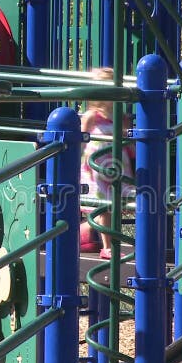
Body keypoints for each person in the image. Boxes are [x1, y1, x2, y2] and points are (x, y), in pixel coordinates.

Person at [80, 67, 135, 260]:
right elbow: (81, 141)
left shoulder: (121, 118)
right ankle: (107, 246)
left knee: (116, 206)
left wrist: (127, 133)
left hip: (118, 166)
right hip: (97, 169)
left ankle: (89, 232)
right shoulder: (91, 117)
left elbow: (131, 145)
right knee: (105, 207)